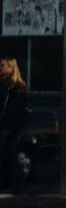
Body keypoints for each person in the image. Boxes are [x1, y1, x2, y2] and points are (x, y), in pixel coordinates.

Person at [0, 57, 27, 189]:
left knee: (10, 156)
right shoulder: (4, 86)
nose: (1, 69)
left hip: (11, 127)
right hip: (6, 127)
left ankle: (17, 185)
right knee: (8, 157)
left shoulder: (18, 87)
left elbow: (14, 110)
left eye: (2, 66)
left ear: (10, 68)